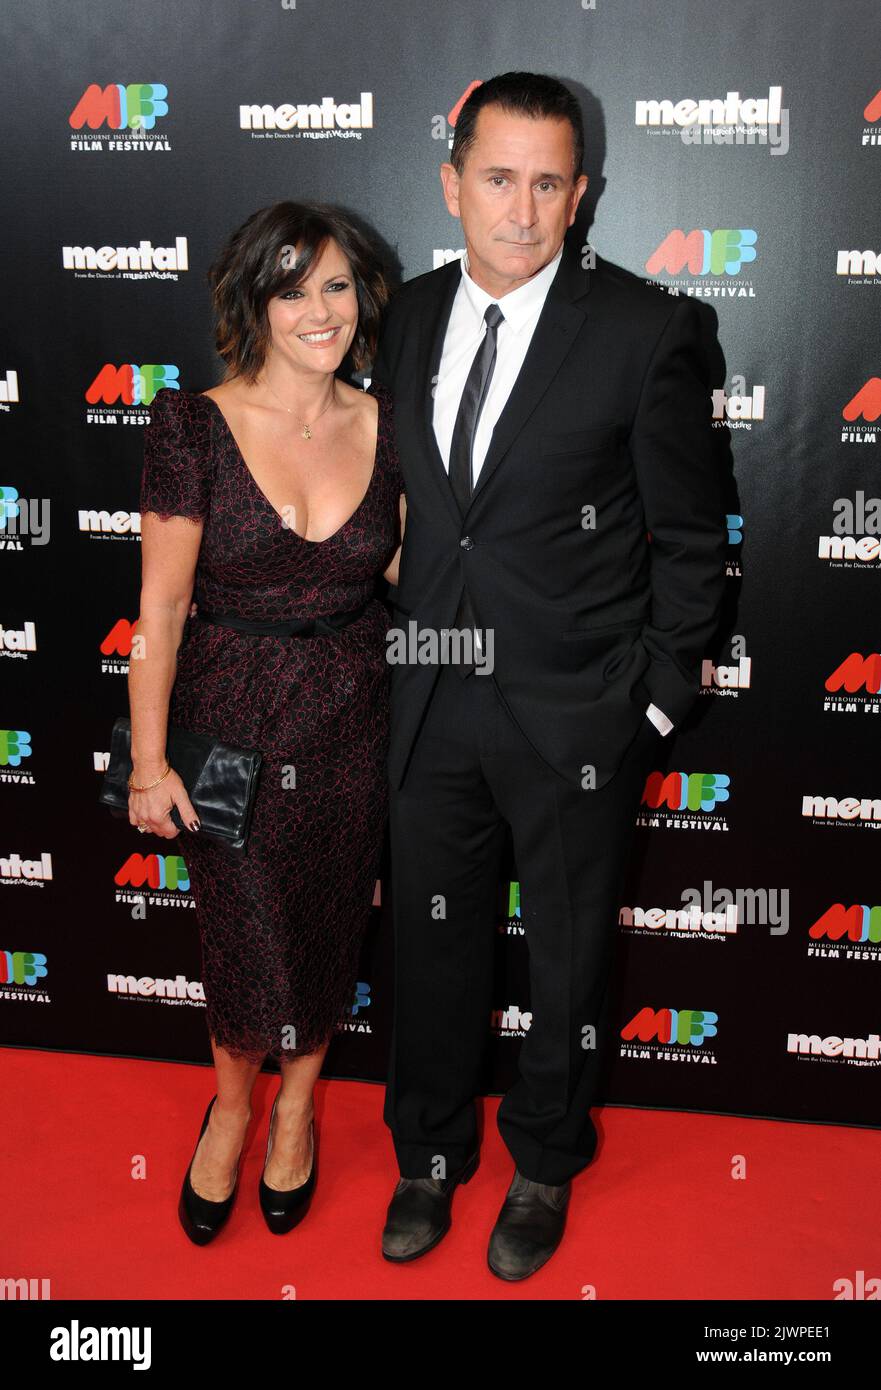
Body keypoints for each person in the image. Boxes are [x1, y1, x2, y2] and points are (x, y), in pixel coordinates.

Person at [370, 72, 726, 1279]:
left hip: (577, 706)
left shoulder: (642, 328)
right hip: (427, 691)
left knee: (569, 955)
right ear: (450, 182)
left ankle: (541, 1159)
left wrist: (654, 698)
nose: (519, 210)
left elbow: (689, 536)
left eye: (546, 183)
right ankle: (426, 1152)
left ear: (579, 195)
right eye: (495, 178)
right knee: (429, 944)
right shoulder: (406, 317)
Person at [128, 201, 404, 1244]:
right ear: (254, 299)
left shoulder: (386, 425)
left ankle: (297, 1107)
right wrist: (150, 761)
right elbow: (158, 609)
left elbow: (411, 576)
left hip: (350, 716)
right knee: (244, 936)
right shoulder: (188, 423)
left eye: (335, 285)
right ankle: (234, 1103)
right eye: (293, 287)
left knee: (329, 926)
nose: (318, 310)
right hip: (228, 725)